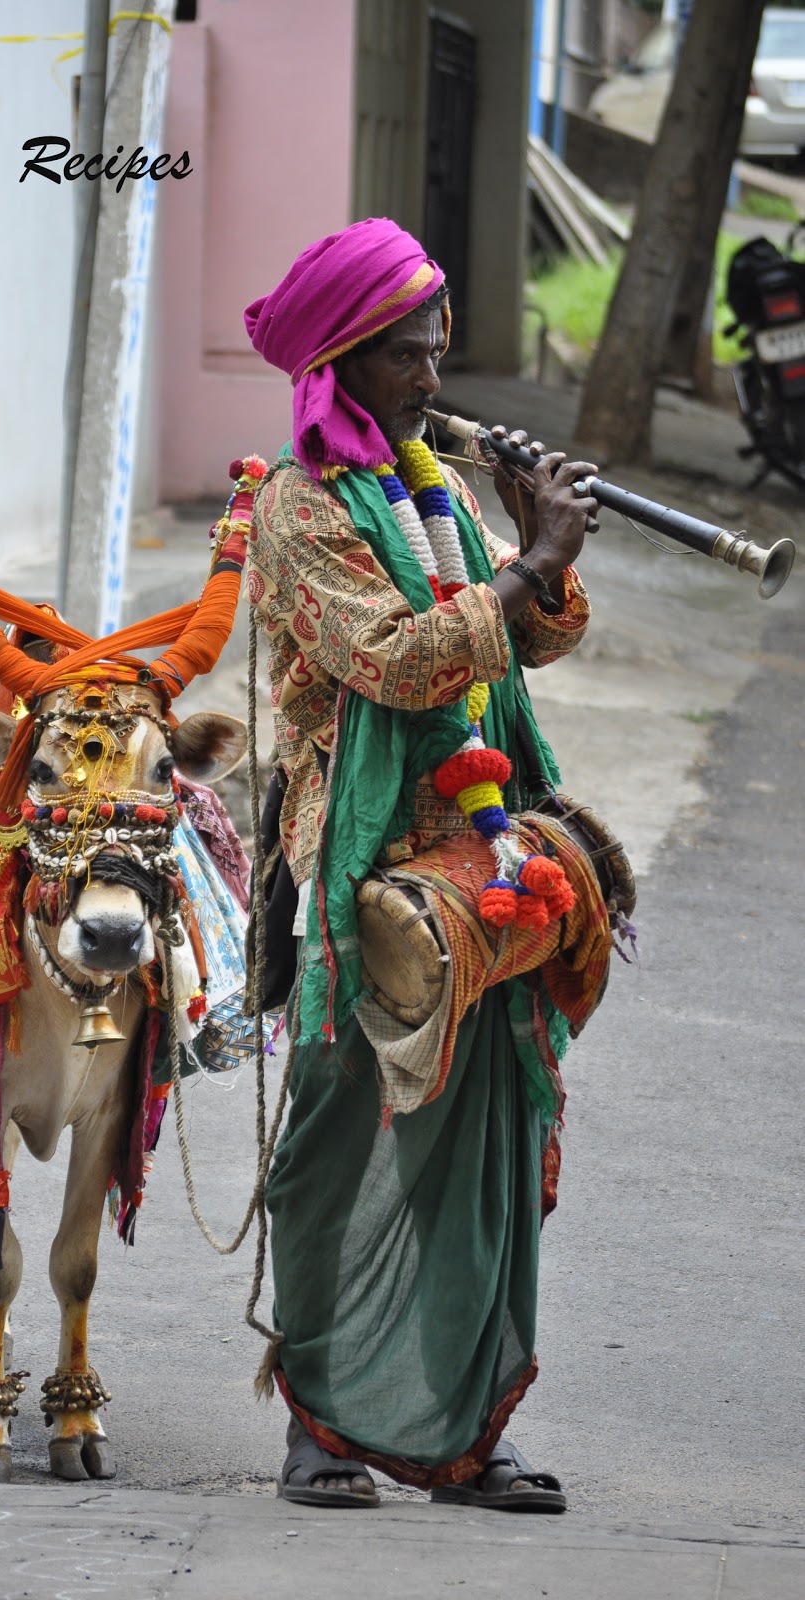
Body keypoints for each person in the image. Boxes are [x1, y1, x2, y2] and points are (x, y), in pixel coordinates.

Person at [243, 218, 606, 1511]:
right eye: (405, 356)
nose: (431, 381)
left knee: (488, 1135)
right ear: (340, 358)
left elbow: (527, 644)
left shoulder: (429, 487)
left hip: (482, 853)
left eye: (437, 352)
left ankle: (466, 1432)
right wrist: (538, 565)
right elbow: (396, 660)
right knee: (341, 1143)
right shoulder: (296, 507)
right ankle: (319, 1425)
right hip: (359, 866)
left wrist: (535, 555)